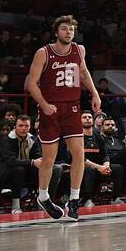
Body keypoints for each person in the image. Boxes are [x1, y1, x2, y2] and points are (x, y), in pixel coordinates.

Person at [25, 15, 101, 222]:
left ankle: (74, 199)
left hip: (73, 107)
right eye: (65, 29)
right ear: (57, 32)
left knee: (79, 153)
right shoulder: (44, 53)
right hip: (51, 107)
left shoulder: (79, 50)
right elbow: (31, 83)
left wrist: (94, 93)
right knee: (49, 158)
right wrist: (43, 104)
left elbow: (84, 74)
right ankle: (43, 196)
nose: (69, 33)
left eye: (72, 30)